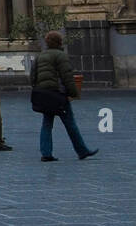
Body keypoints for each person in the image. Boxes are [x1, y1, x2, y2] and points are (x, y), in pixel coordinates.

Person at [33, 31, 98, 162]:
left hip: (44, 94)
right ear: (59, 42)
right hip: (58, 94)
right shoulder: (61, 56)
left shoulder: (39, 56)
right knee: (70, 123)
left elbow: (32, 77)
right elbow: (67, 77)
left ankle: (46, 153)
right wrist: (74, 93)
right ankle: (82, 150)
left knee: (47, 123)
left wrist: (38, 88)